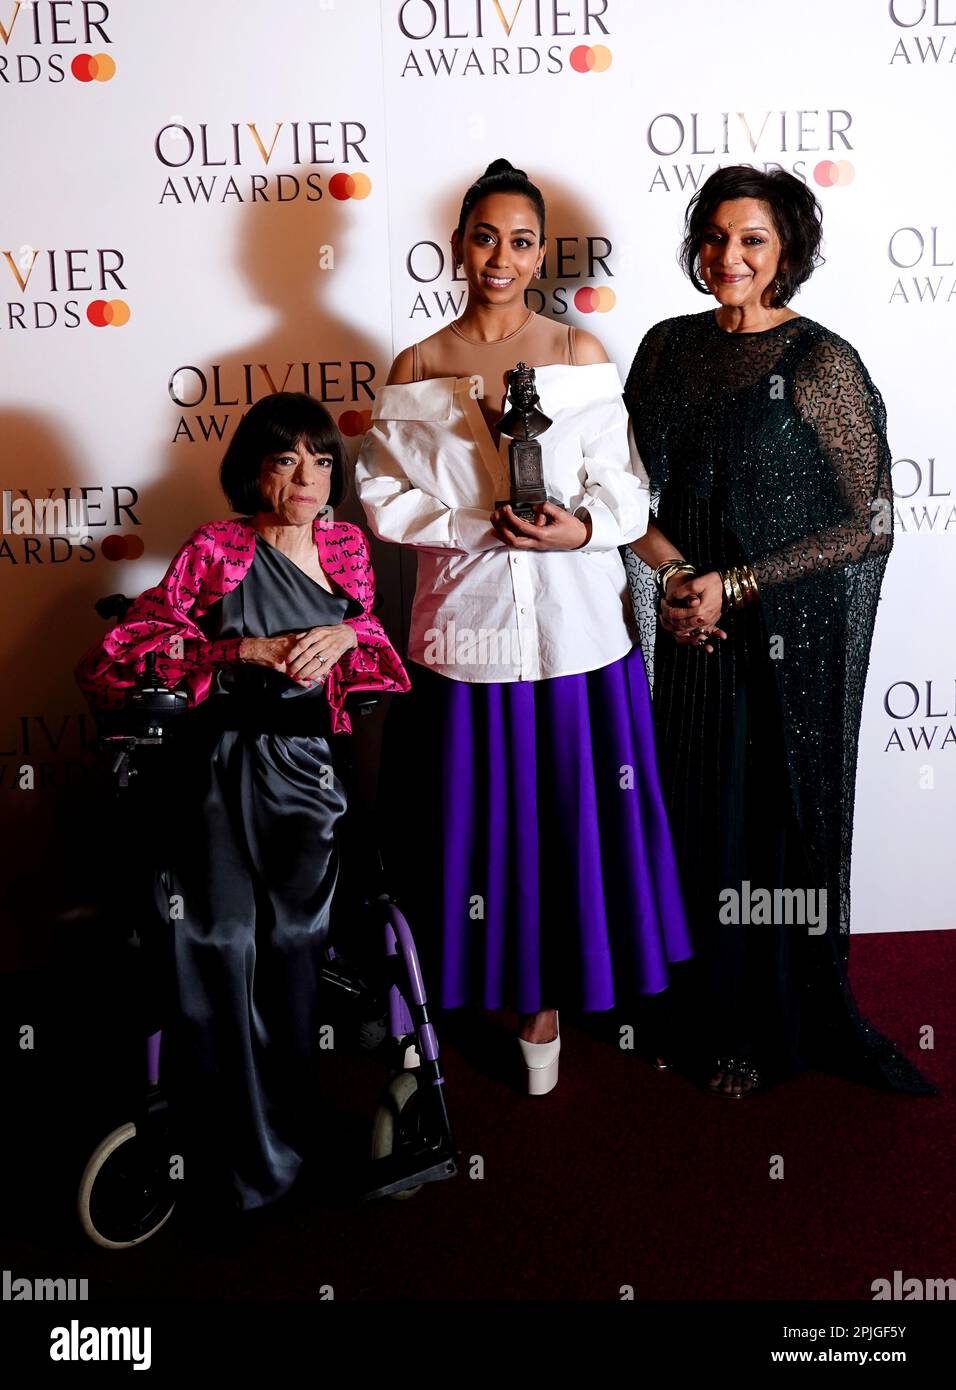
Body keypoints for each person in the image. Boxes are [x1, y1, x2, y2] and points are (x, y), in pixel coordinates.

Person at [356, 158, 691, 1096]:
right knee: (475, 827)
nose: (501, 257)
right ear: (459, 243)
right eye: (484, 236)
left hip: (579, 636)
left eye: (521, 240)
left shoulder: (580, 355)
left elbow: (624, 489)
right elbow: (382, 497)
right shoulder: (417, 365)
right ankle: (465, 992)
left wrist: (581, 529)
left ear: (542, 249)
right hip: (466, 638)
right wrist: (475, 529)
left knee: (565, 823)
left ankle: (551, 999)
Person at [624, 165, 936, 1098]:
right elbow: (622, 493)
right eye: (716, 237)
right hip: (687, 630)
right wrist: (679, 579)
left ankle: (764, 1025)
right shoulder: (666, 349)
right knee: (688, 816)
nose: (729, 256)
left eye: (752, 240)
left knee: (762, 834)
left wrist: (740, 584)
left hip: (777, 645)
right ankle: (687, 1006)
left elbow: (871, 521)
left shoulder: (819, 361)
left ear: (787, 252)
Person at [75, 391, 410, 1210]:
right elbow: (126, 652)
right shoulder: (217, 547)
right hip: (216, 765)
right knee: (218, 937)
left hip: (309, 773)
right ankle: (229, 1145)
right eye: (286, 458)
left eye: (322, 459)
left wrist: (350, 635)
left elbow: (374, 647)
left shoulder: (348, 548)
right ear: (253, 472)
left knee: (296, 941)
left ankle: (286, 1132)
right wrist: (243, 649)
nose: (307, 476)